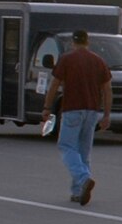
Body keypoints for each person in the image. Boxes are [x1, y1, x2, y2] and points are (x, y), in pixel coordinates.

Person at [42, 30, 110, 207]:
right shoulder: (98, 61)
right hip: (92, 111)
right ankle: (78, 191)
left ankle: (83, 178)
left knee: (66, 146)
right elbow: (107, 89)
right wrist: (107, 114)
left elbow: (54, 84)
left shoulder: (66, 59)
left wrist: (47, 107)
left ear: (73, 42)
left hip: (72, 109)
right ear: (88, 42)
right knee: (83, 152)